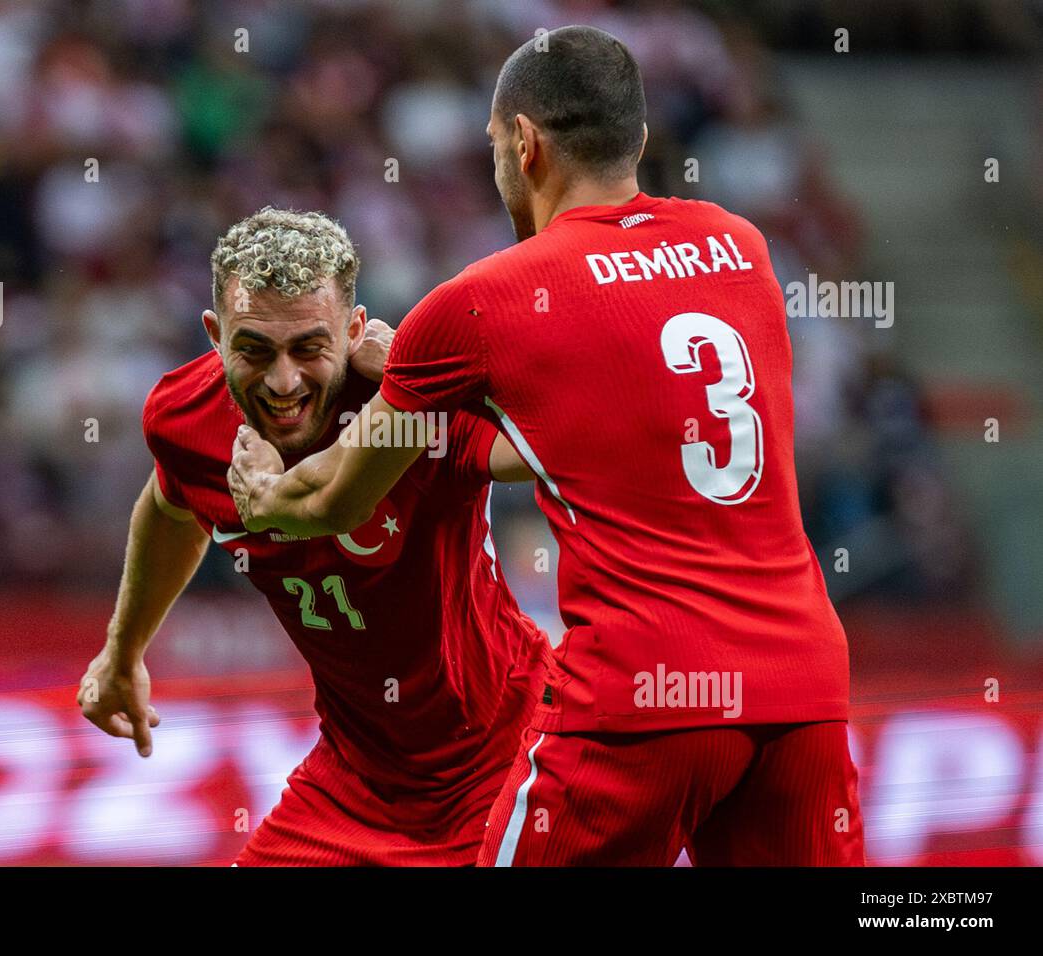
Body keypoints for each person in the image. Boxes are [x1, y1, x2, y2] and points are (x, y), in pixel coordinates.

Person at [228, 27, 863, 866]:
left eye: (495, 146)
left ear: (523, 144)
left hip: (638, 703)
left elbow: (333, 500)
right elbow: (623, 423)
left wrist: (265, 493)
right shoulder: (740, 249)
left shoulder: (481, 302)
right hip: (804, 686)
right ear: (635, 138)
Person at [77, 207, 548, 866]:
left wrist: (454, 389)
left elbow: (559, 443)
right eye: (255, 349)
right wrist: (122, 651)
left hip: (504, 760)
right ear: (215, 336)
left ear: (353, 330)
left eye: (308, 348)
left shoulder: (412, 407)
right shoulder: (184, 419)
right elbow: (170, 508)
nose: (283, 381)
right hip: (355, 782)